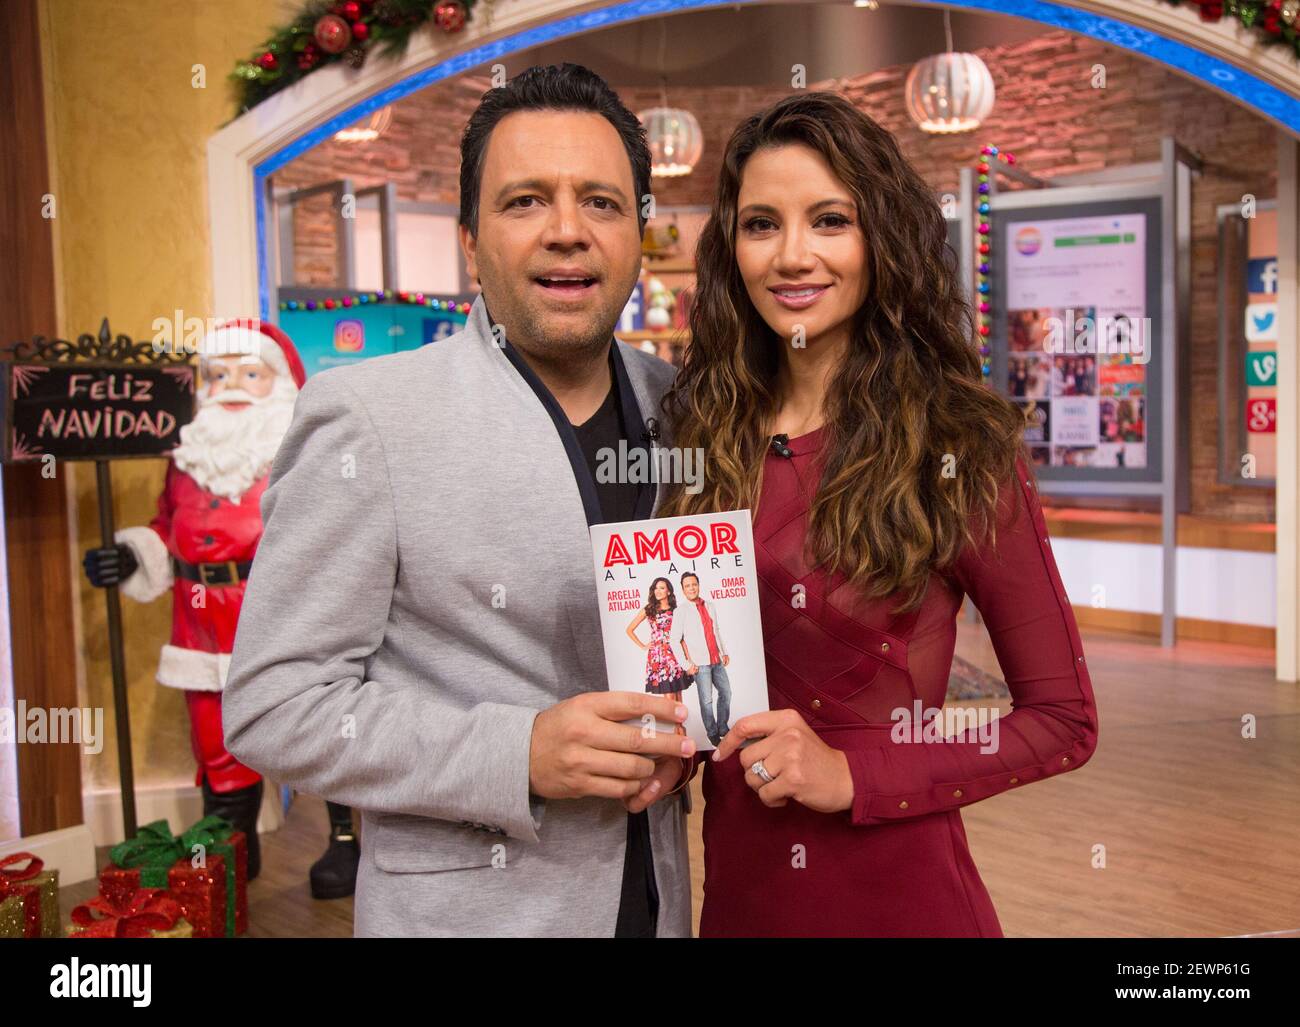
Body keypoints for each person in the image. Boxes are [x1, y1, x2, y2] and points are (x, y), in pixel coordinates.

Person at [222, 64, 695, 937]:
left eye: (600, 201)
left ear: (638, 234)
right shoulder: (371, 418)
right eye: (525, 201)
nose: (566, 232)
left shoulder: (686, 406)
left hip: (657, 902)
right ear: (472, 242)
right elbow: (273, 705)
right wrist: (514, 752)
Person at [660, 91, 1099, 937]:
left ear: (881, 238)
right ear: (731, 248)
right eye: (761, 224)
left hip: (905, 903)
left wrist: (853, 774)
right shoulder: (702, 436)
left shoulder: (960, 444)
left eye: (830, 219)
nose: (792, 256)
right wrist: (667, 748)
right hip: (740, 904)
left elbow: (1064, 722)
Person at [669, 573, 732, 746]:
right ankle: (712, 733)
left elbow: (716, 630)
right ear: (683, 589)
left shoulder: (710, 606)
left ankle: (722, 727)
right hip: (699, 664)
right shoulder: (680, 611)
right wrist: (686, 665)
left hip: (716, 660)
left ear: (698, 585)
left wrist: (723, 652)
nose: (691, 588)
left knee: (726, 693)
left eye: (694, 584)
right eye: (687, 586)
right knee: (706, 701)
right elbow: (674, 640)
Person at [626, 578, 691, 737]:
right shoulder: (649, 610)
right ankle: (677, 731)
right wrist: (643, 645)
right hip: (660, 657)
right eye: (656, 588)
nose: (658, 591)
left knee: (678, 694)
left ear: (669, 591)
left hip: (675, 655)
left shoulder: (676, 610)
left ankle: (680, 729)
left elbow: (682, 637)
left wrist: (688, 659)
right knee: (669, 696)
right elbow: (629, 629)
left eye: (662, 588)